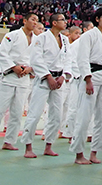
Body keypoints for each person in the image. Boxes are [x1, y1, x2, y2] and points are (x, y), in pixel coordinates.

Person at [0, 13, 39, 152]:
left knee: (17, 113)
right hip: (10, 76)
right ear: (25, 21)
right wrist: (13, 66)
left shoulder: (37, 40)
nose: (35, 23)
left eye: (37, 21)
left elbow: (38, 59)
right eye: (32, 20)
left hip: (24, 79)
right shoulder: (12, 36)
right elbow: (2, 54)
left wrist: (31, 68)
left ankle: (9, 141)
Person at [71, 8, 102, 165]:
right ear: (97, 19)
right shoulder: (88, 36)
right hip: (92, 75)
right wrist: (87, 79)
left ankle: (95, 151)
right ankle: (78, 153)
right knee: (84, 116)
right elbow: (82, 59)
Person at [21, 11, 69, 158]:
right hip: (43, 79)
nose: (65, 22)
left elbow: (69, 60)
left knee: (56, 115)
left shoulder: (65, 40)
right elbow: (36, 60)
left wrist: (64, 76)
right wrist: (48, 76)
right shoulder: (41, 38)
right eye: (62, 20)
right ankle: (28, 147)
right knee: (35, 114)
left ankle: (49, 145)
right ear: (54, 23)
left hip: (59, 80)